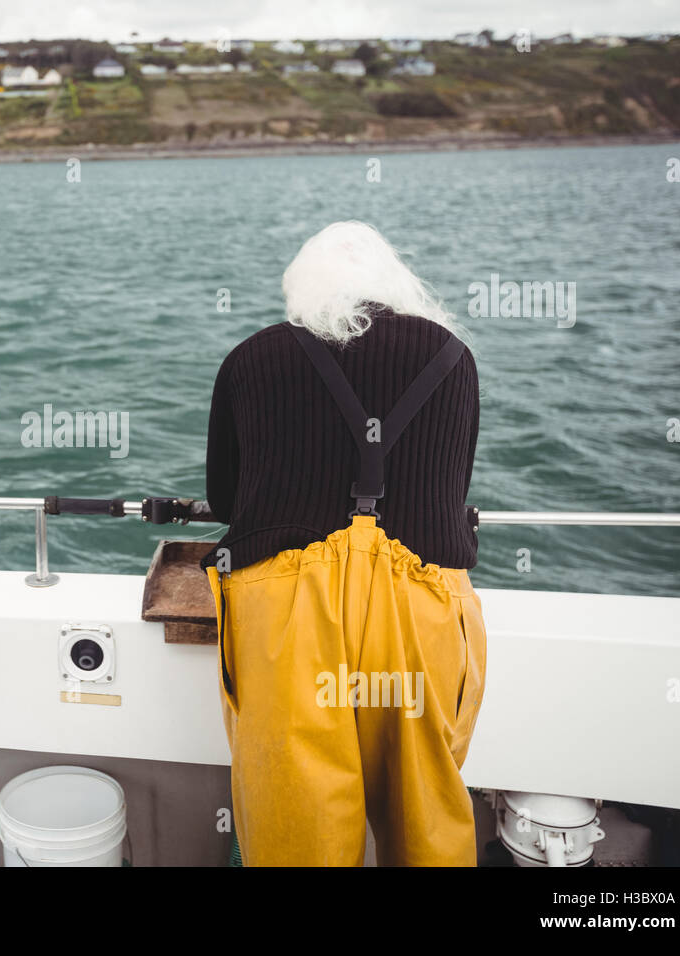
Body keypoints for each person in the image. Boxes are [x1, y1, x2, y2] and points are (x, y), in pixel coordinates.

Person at [201, 220, 486, 866]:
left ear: (300, 292)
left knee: (295, 828)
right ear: (393, 284)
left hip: (288, 612)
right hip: (421, 605)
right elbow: (452, 488)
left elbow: (225, 498)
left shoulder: (251, 360)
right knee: (427, 819)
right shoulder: (453, 359)